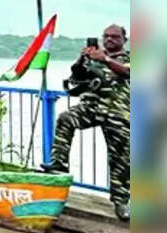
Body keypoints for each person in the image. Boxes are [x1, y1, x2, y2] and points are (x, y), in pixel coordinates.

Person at [44, 24, 131, 221]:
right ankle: (58, 165)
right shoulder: (94, 58)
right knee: (66, 118)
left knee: (121, 159)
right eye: (106, 36)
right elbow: (76, 78)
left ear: (124, 40)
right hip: (90, 108)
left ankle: (121, 201)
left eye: (114, 37)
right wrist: (81, 60)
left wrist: (105, 59)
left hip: (118, 113)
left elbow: (127, 72)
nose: (109, 40)